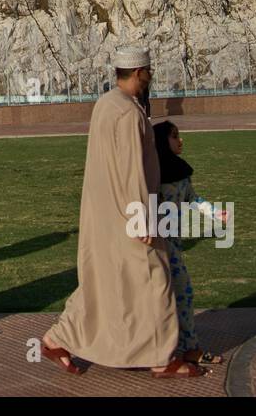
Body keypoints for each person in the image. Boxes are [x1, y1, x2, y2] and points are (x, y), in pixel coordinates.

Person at [39, 45, 202, 378]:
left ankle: (57, 339)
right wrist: (141, 217)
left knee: (103, 281)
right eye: (149, 72)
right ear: (140, 72)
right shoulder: (127, 111)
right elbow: (131, 170)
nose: (150, 77)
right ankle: (161, 357)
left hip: (105, 211)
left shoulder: (106, 103)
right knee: (155, 278)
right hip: (129, 212)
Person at [153, 120, 224, 367]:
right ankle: (181, 349)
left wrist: (216, 213)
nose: (180, 140)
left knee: (181, 294)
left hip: (174, 243)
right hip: (157, 245)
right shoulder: (152, 172)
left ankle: (185, 348)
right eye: (174, 137)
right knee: (178, 293)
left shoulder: (180, 170)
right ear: (163, 142)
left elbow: (193, 198)